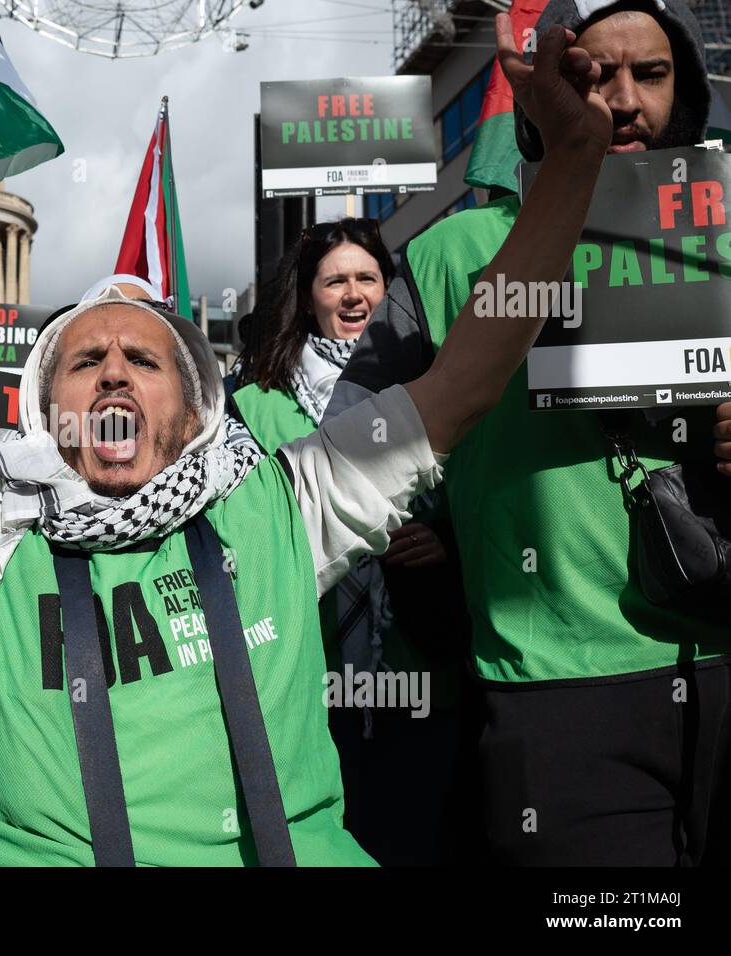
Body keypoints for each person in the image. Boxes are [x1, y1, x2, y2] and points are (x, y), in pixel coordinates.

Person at [0, 12, 610, 865]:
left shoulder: (286, 504)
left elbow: (460, 382)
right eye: (84, 357)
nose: (113, 371)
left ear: (195, 406)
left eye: (146, 357)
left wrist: (570, 160)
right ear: (43, 407)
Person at [327, 0, 731, 865]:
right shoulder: (450, 254)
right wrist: (428, 525)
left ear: (687, 93)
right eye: (595, 75)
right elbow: (351, 442)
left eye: (650, 74)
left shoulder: (725, 236)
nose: (623, 100)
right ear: (548, 98)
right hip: (556, 685)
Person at [231, 219, 472, 865]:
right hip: (303, 679)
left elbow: (484, 498)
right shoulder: (253, 404)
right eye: (335, 280)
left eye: (368, 278)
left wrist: (446, 541)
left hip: (418, 672)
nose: (354, 293)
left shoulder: (433, 390)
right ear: (307, 296)